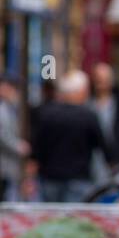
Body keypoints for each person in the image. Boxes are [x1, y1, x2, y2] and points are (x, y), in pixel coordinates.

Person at [31, 70, 105, 203]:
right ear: (80, 91)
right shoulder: (88, 116)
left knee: (49, 219)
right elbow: (101, 145)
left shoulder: (46, 114)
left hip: (49, 177)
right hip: (79, 178)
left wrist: (30, 177)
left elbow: (37, 148)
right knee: (73, 221)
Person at [90, 63, 119, 174]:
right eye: (98, 80)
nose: (101, 84)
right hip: (92, 162)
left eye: (104, 80)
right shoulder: (87, 105)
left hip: (117, 163)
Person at [0, 74, 27, 203]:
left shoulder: (9, 107)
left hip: (8, 166)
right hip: (4, 164)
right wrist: (17, 146)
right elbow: (2, 134)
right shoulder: (3, 108)